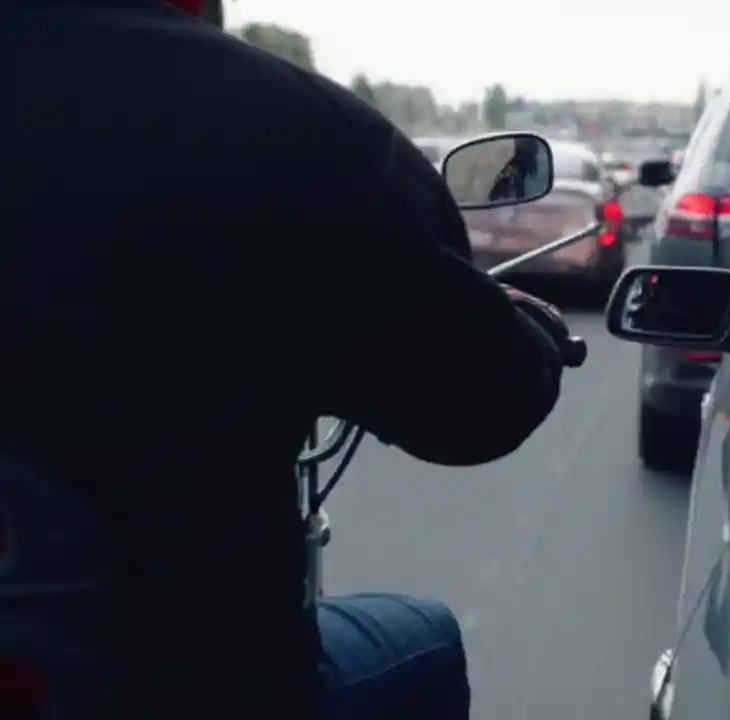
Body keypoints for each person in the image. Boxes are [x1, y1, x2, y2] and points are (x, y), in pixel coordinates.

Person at [0, 1, 577, 718]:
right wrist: (537, 339)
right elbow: (483, 406)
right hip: (189, 682)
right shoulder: (294, 128)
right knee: (425, 641)